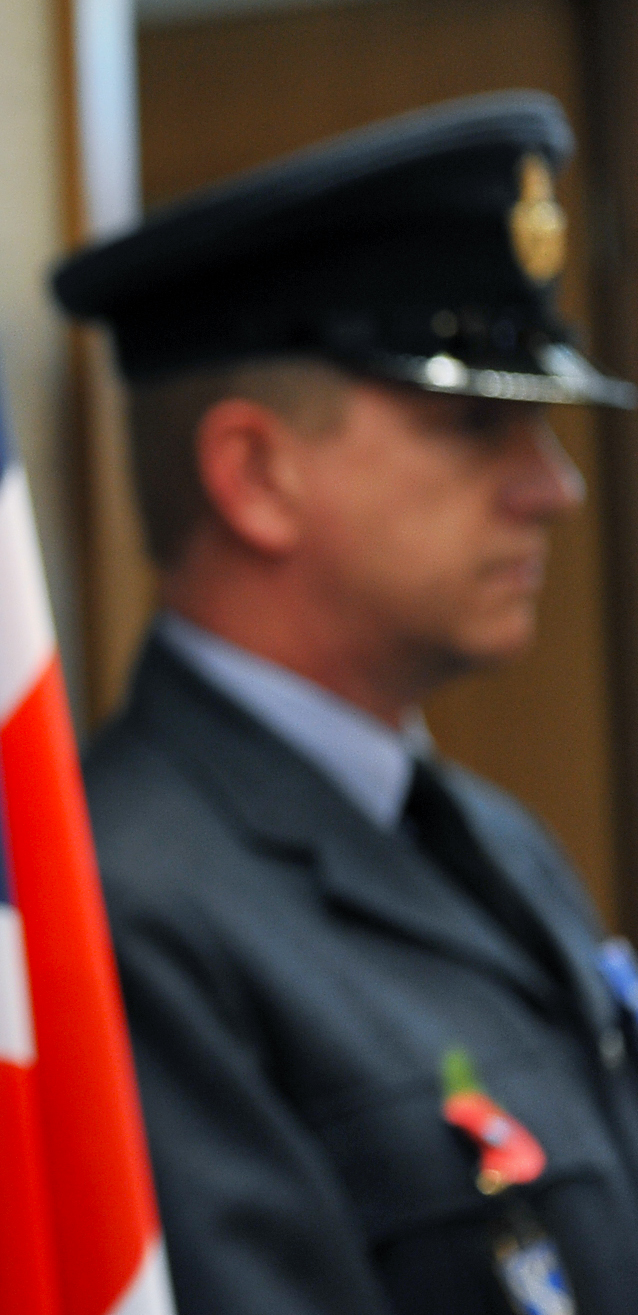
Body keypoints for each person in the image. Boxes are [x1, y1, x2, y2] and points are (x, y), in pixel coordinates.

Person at [55, 92, 638, 1315]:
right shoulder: (127, 915)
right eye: (476, 424)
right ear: (255, 475)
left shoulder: (489, 842)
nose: (553, 488)